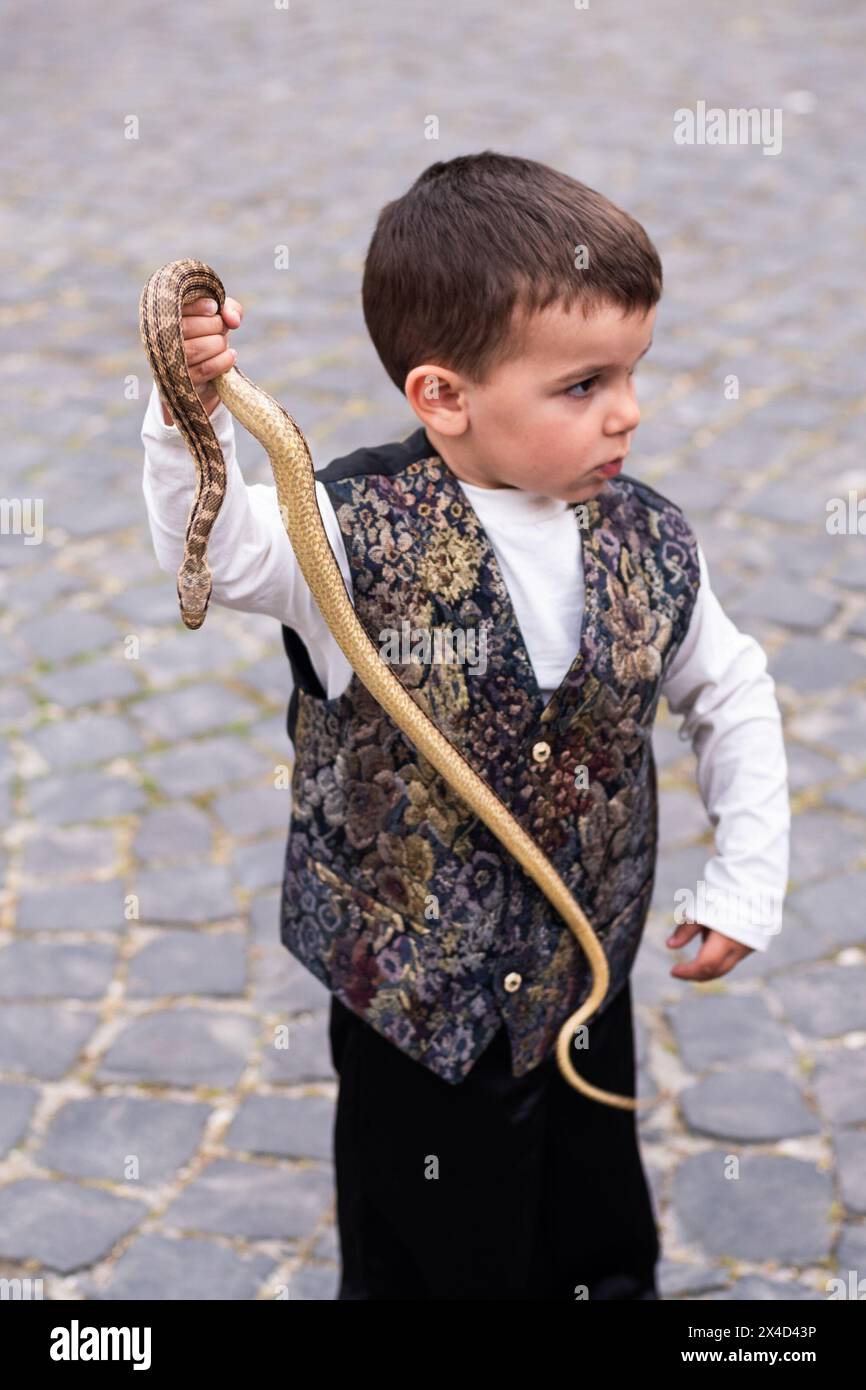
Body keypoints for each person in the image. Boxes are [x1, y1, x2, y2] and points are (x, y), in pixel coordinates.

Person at [140, 151, 790, 1300]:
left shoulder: (648, 538)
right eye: (582, 385)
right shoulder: (340, 535)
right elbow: (217, 553)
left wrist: (745, 873)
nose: (627, 412)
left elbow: (724, 689)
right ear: (441, 395)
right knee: (428, 1253)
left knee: (593, 1231)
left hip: (581, 975)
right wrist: (186, 411)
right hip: (413, 1011)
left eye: (632, 372)